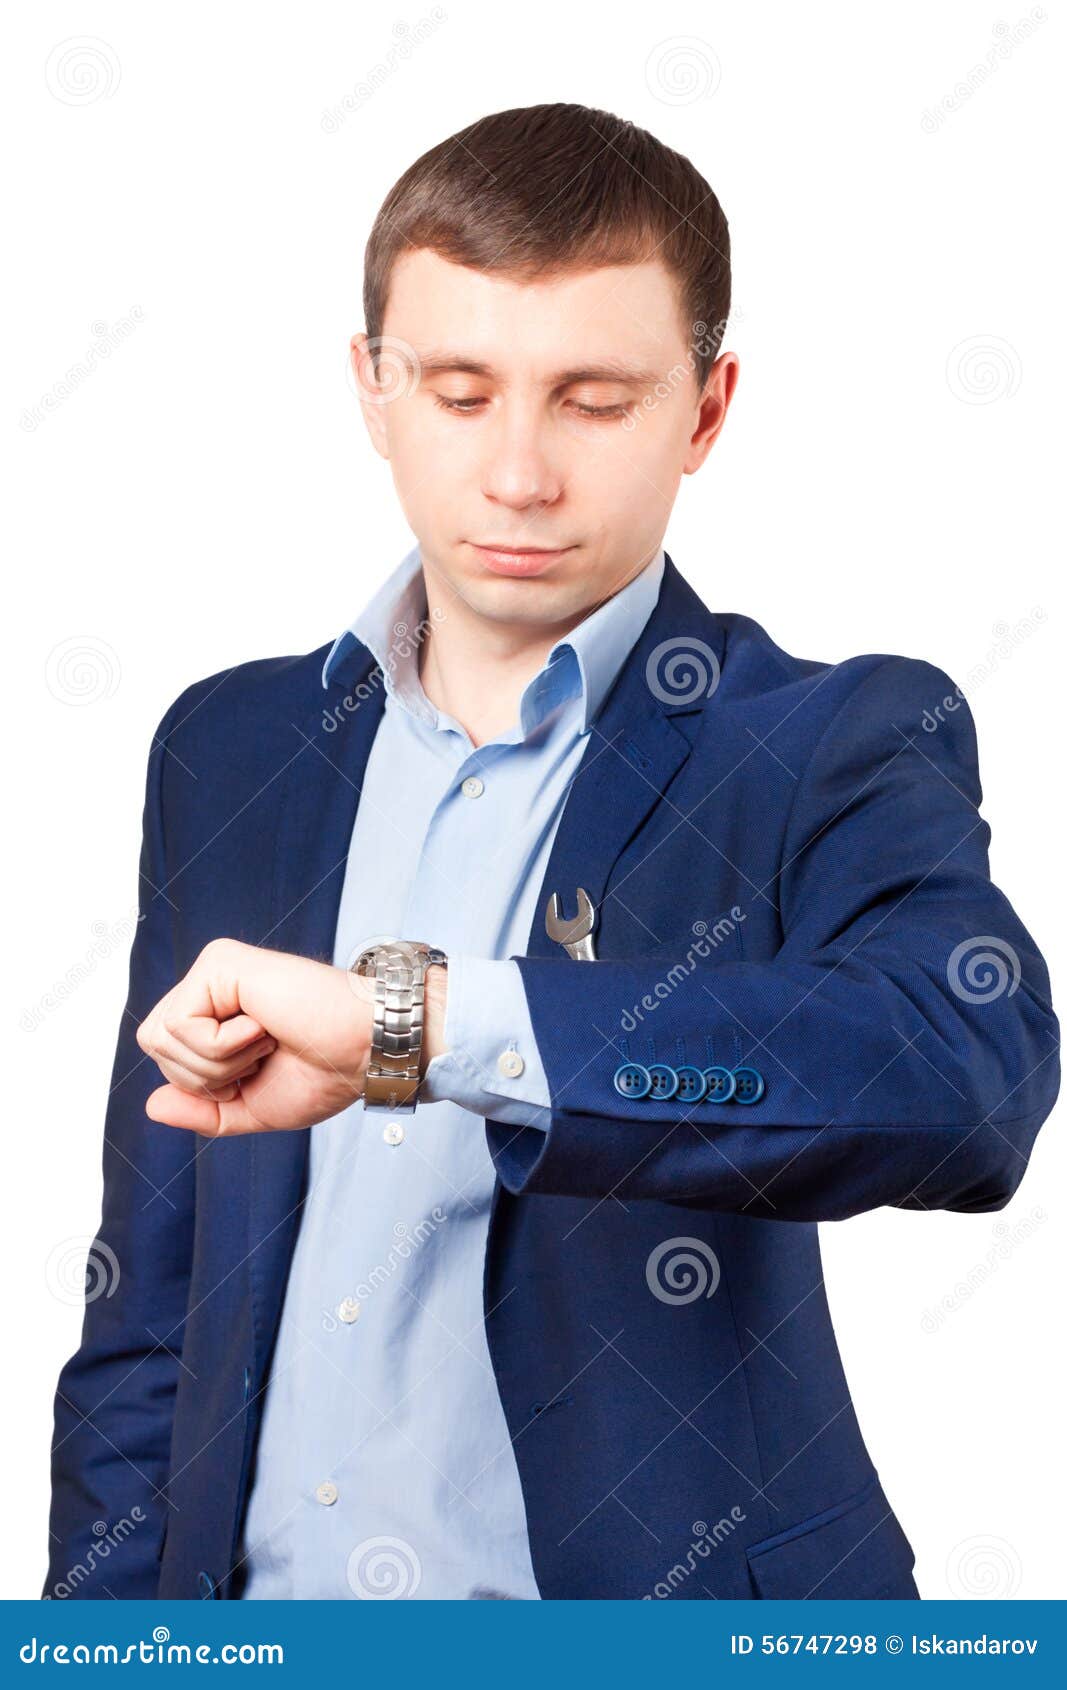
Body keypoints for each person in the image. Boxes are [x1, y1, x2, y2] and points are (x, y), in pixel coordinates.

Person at [44, 102, 1058, 1603]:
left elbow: (961, 1079)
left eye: (591, 400)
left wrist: (422, 1024)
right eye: (458, 391)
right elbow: (154, 1292)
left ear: (706, 410)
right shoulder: (228, 748)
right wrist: (99, 1633)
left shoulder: (831, 739)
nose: (518, 473)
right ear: (371, 390)